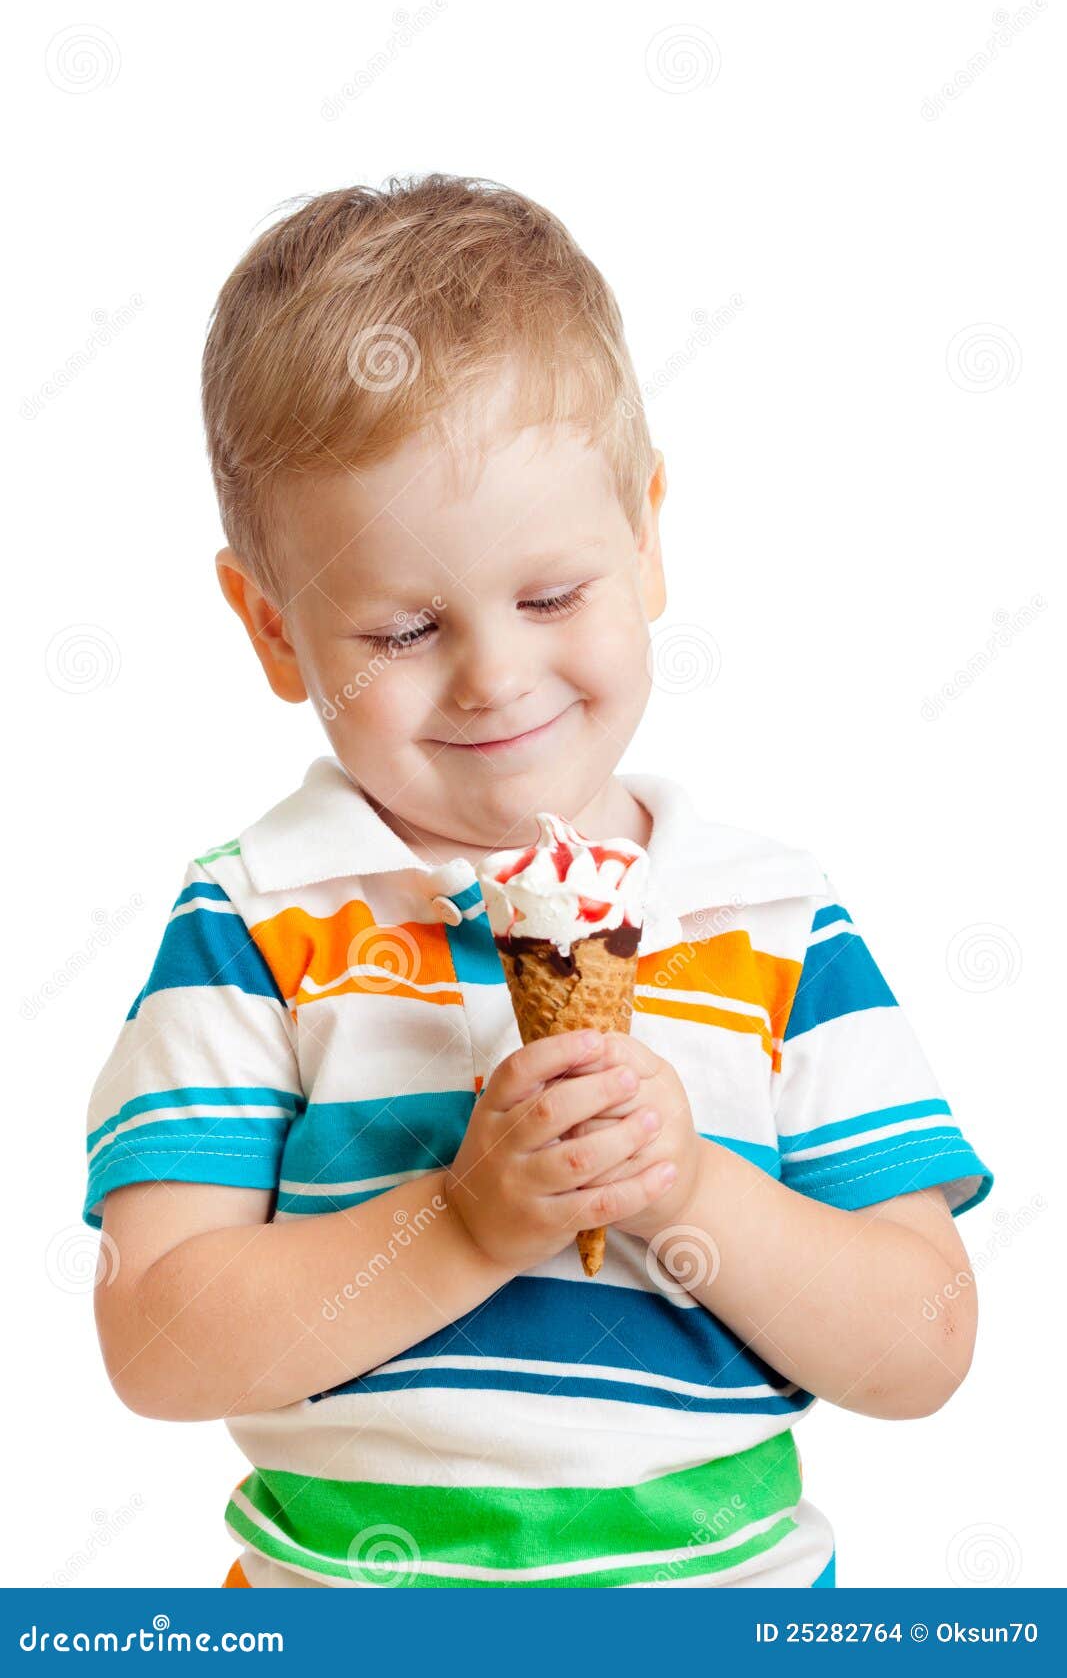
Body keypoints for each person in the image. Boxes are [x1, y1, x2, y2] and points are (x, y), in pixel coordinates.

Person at [83, 175, 992, 1588]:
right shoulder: (255, 921)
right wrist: (459, 1222)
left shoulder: (771, 919)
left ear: (647, 534)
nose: (496, 674)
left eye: (553, 594)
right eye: (402, 626)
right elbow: (157, 1341)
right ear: (274, 629)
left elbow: (924, 1339)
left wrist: (687, 1185)